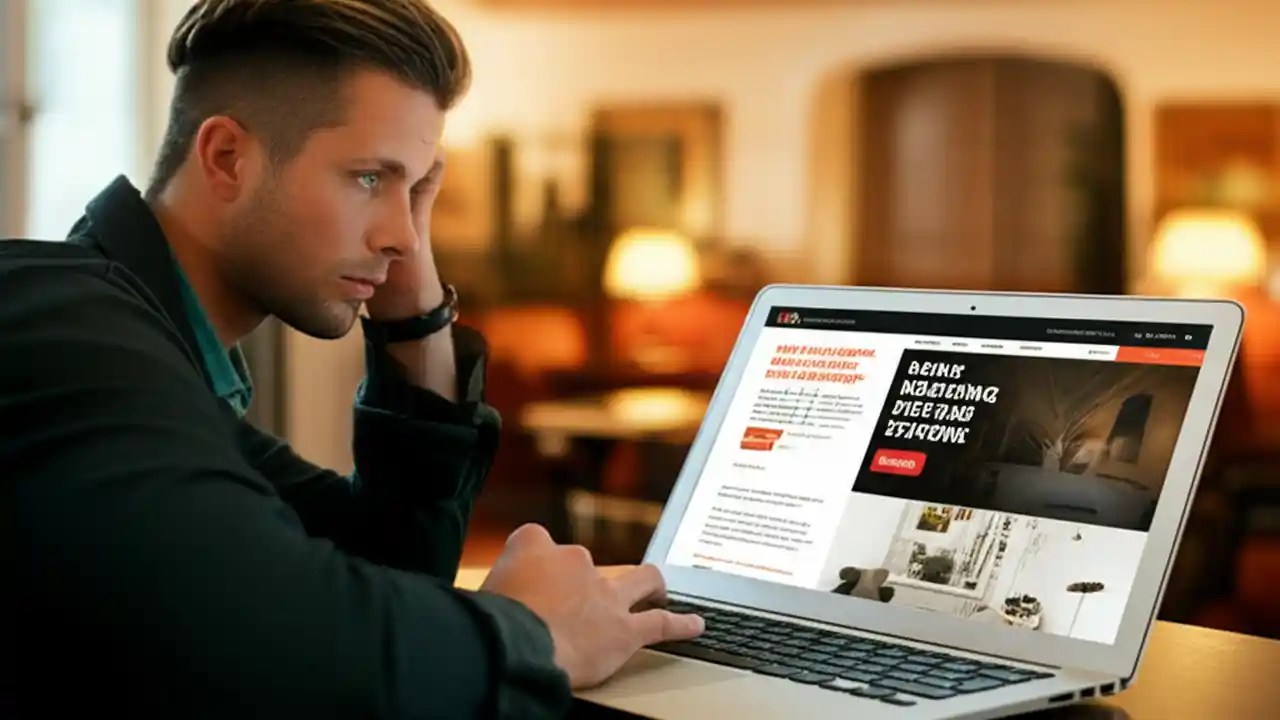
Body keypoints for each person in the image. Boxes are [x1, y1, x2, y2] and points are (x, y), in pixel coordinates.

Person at [0, 0, 702, 716]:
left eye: (418, 189)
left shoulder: (161, 368)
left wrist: (414, 314)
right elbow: (294, 647)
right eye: (370, 178)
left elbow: (391, 563)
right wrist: (539, 635)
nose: (402, 234)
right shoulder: (64, 327)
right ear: (227, 158)